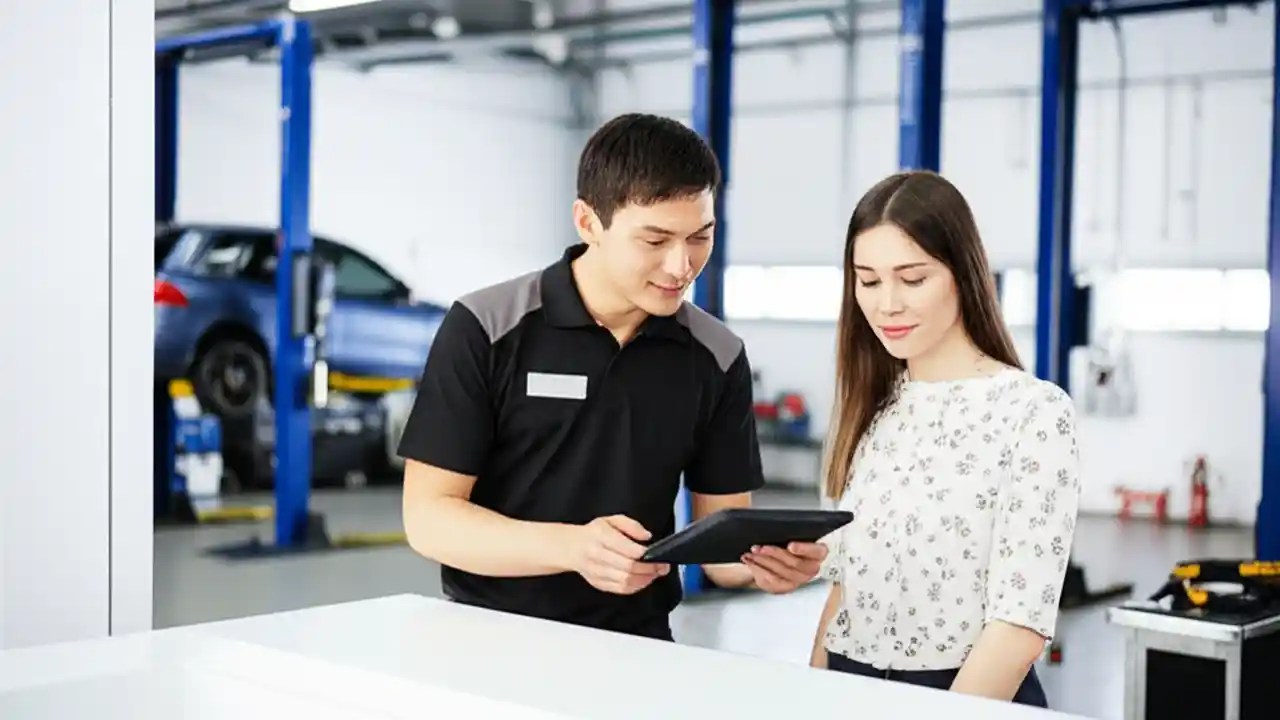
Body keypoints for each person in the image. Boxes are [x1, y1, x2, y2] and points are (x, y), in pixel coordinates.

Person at [396, 112, 828, 642]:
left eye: (700, 237)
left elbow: (722, 551)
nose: (681, 265)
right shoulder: (486, 327)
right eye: (655, 240)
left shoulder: (716, 355)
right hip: (485, 638)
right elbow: (429, 519)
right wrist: (572, 548)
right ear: (588, 222)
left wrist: (768, 565)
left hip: (639, 648)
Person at [809, 170, 1081, 708]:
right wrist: (814, 697)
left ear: (963, 275)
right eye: (867, 280)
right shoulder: (871, 408)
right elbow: (844, 592)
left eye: (912, 279)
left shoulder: (1032, 411)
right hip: (851, 687)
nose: (887, 304)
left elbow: (1019, 622)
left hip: (968, 697)